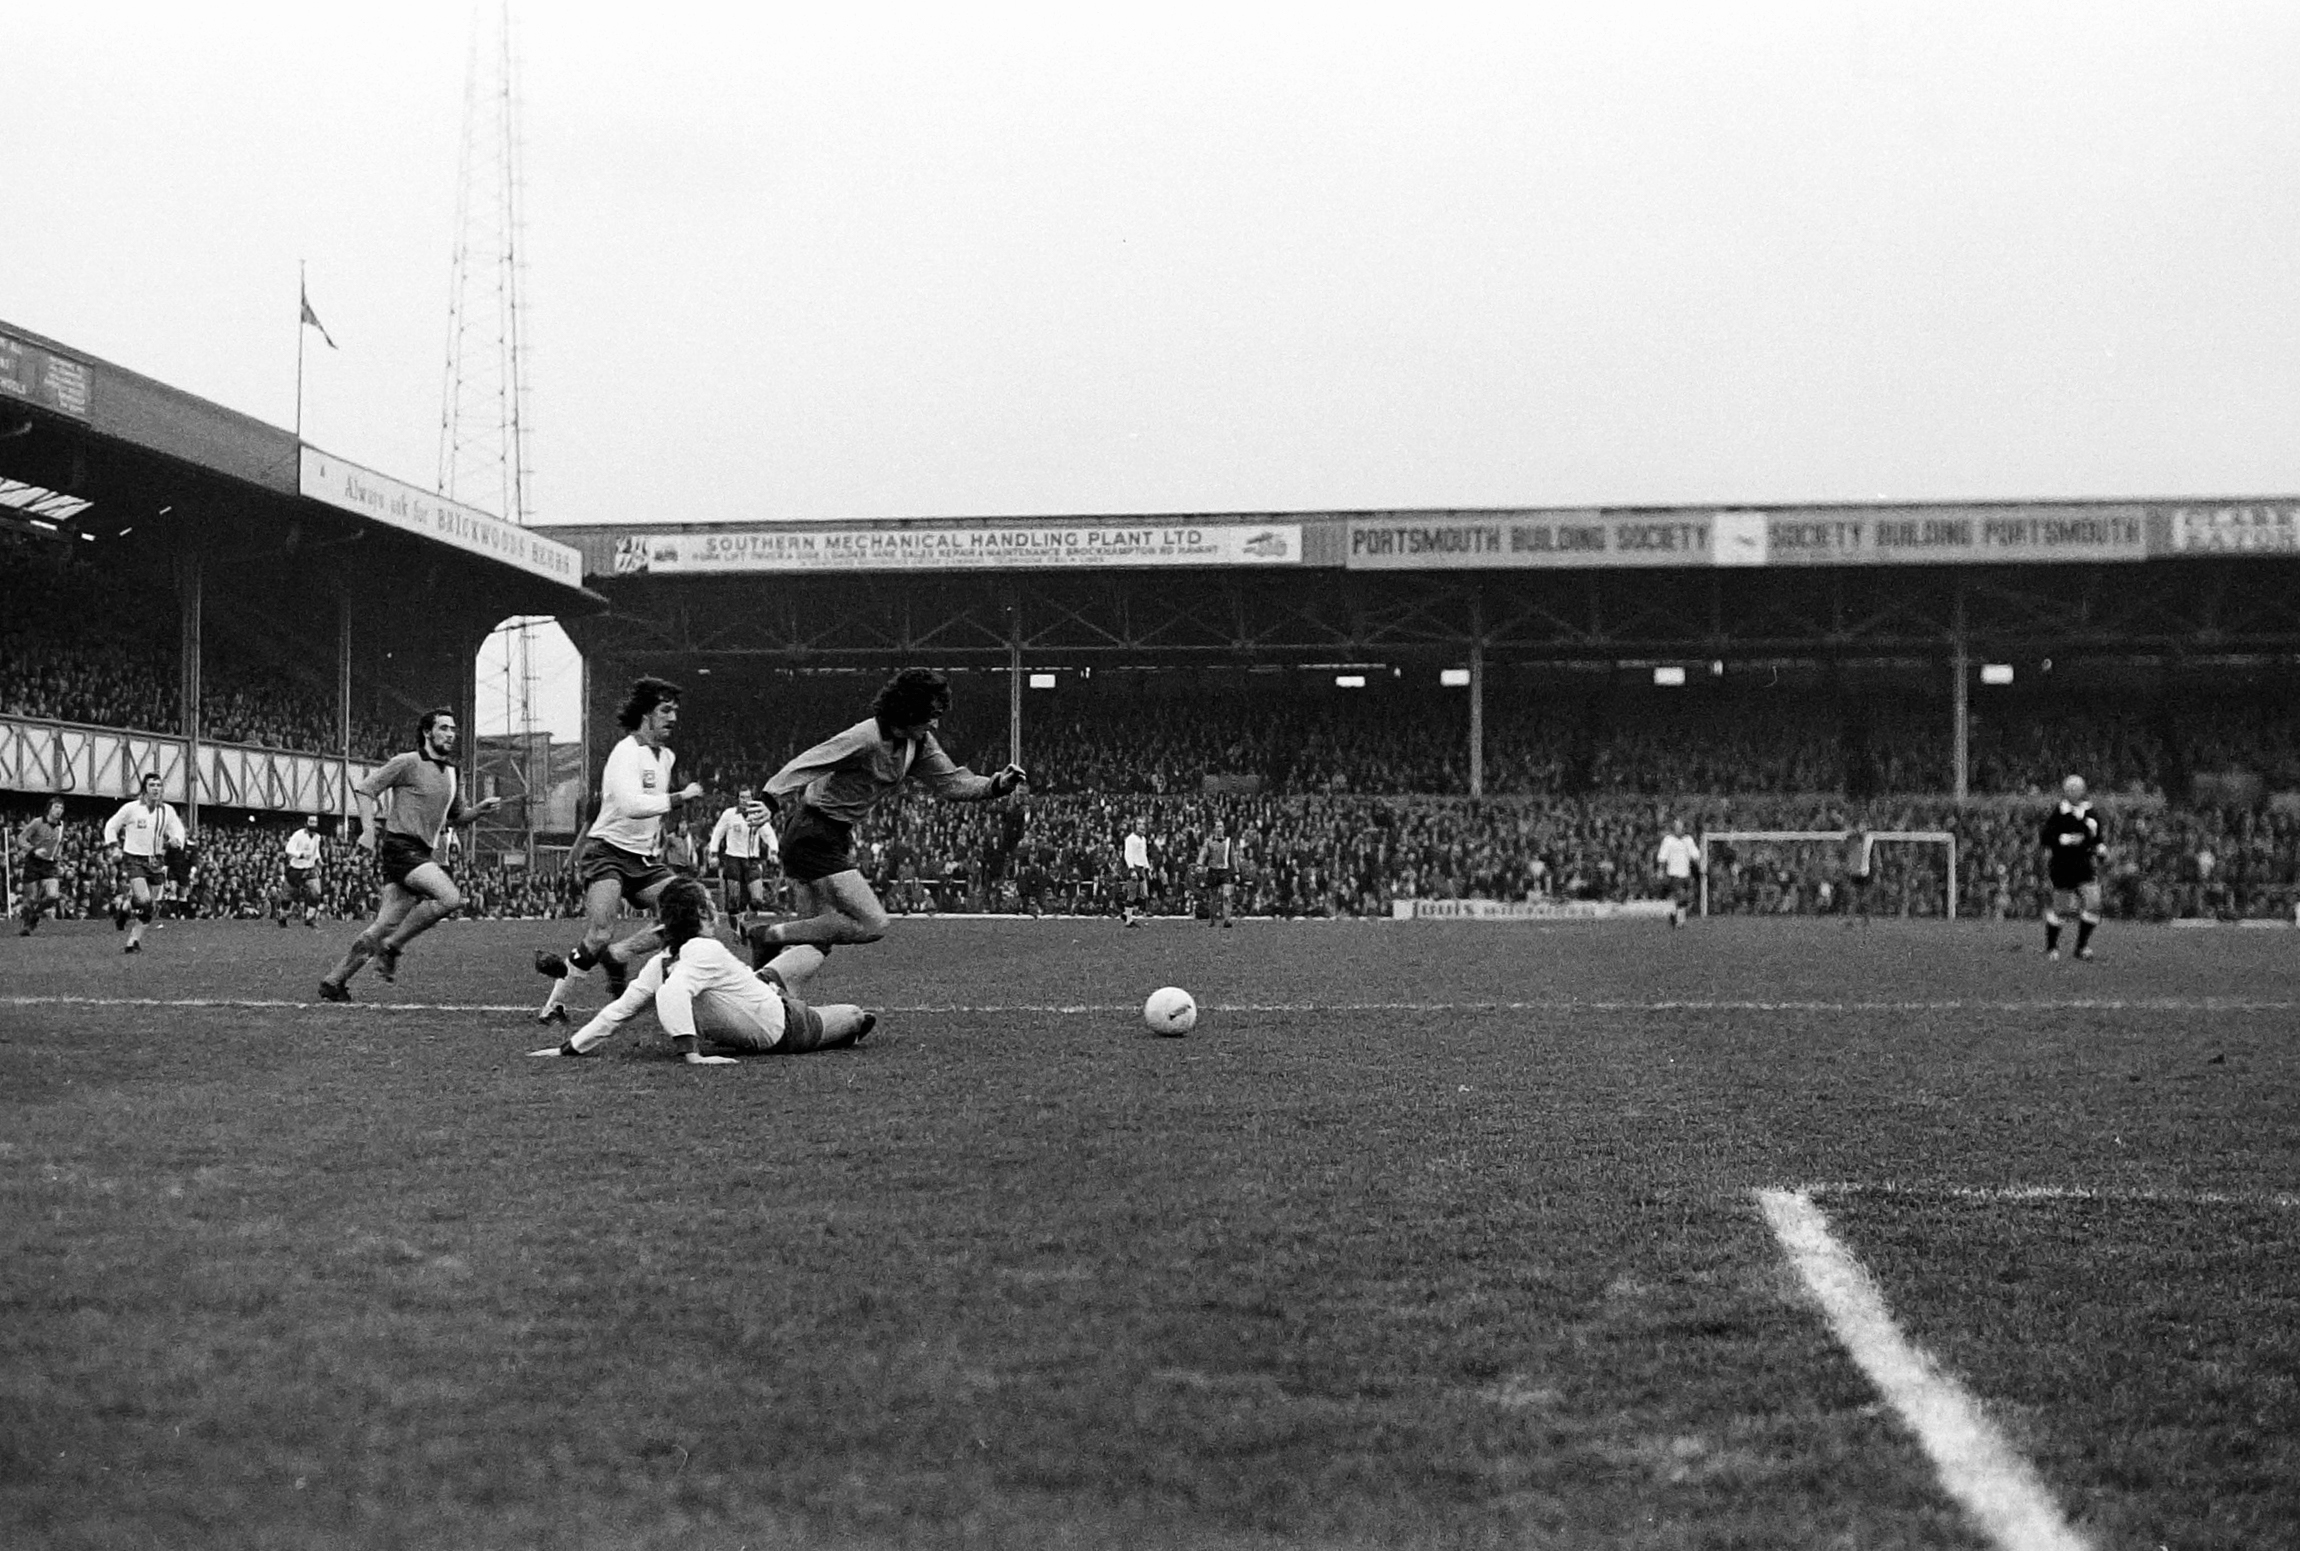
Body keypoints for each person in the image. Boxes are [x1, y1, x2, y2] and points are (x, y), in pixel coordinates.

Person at [743, 669, 1027, 968]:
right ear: (909, 710)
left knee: (815, 944)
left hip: (832, 835)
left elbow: (951, 783)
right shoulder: (865, 737)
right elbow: (810, 762)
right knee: (872, 923)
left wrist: (997, 785)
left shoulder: (918, 743)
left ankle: (771, 992)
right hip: (812, 833)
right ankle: (767, 935)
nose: (935, 723)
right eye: (930, 715)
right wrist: (770, 799)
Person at [529, 876, 873, 1064]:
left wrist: (569, 1047)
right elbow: (674, 993)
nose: (717, 912)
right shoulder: (702, 951)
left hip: (761, 997)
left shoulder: (662, 961)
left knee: (787, 966)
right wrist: (691, 1054)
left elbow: (619, 1011)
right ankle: (807, 943)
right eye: (711, 906)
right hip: (788, 1026)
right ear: (703, 917)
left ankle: (795, 940)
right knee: (854, 1014)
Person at [533, 677, 706, 1025]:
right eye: (665, 710)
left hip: (642, 859)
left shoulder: (667, 756)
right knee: (599, 932)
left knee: (689, 909)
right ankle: (552, 1007)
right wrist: (679, 797)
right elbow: (631, 805)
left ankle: (620, 955)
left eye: (675, 711)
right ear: (645, 713)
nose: (672, 718)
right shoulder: (625, 753)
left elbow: (650, 813)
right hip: (607, 853)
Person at [318, 709, 501, 1001]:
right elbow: (366, 790)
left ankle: (334, 981)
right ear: (428, 732)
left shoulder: (454, 772)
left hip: (421, 851)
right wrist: (368, 829)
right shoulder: (408, 762)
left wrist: (479, 810)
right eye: (443, 728)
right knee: (450, 898)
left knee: (383, 925)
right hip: (401, 847)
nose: (450, 734)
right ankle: (393, 948)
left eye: (453, 729)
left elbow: (458, 817)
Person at [101, 773, 187, 954]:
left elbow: (177, 828)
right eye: (152, 785)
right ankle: (130, 931)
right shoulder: (131, 808)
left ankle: (132, 936)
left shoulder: (166, 810)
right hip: (134, 858)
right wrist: (114, 846)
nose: (156, 788)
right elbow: (111, 825)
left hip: (156, 860)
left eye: (158, 785)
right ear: (144, 789)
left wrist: (176, 839)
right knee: (145, 901)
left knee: (152, 906)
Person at [2040, 774, 2107, 960]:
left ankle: (2081, 947)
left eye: (2077, 789)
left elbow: (2097, 837)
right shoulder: (2059, 813)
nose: (2074, 793)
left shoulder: (2090, 812)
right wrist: (2064, 839)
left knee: (2094, 904)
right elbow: (2045, 838)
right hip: (2062, 866)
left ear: (2083, 791)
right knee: (2061, 909)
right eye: (2070, 789)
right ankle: (2051, 947)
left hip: (2084, 865)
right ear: (2065, 791)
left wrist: (2100, 848)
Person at [707, 784, 778, 920]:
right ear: (738, 799)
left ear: (752, 798)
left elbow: (768, 834)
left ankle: (745, 923)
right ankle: (736, 929)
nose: (745, 800)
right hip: (733, 859)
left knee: (757, 899)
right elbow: (717, 833)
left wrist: (773, 851)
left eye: (748, 797)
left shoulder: (757, 814)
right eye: (742, 797)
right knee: (733, 900)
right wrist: (714, 853)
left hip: (752, 860)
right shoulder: (729, 814)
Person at [15, 796, 66, 935]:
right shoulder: (37, 822)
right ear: (49, 808)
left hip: (50, 865)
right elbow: (21, 838)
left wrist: (58, 855)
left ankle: (35, 915)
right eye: (56, 807)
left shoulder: (61, 826)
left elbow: (59, 843)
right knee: (30, 899)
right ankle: (26, 926)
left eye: (61, 808)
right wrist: (33, 850)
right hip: (33, 863)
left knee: (53, 895)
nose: (59, 810)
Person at [276, 814, 324, 929]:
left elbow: (315, 851)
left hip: (310, 869)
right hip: (295, 870)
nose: (312, 827)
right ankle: (282, 917)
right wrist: (300, 855)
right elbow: (288, 849)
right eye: (310, 824)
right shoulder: (298, 835)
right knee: (288, 896)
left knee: (315, 892)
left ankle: (310, 918)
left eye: (314, 825)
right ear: (306, 824)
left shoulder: (317, 837)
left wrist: (319, 860)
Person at [1654, 817, 1701, 928]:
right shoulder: (1668, 840)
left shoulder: (1688, 840)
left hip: (1686, 873)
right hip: (1673, 873)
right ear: (1674, 828)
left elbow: (1695, 855)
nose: (1679, 829)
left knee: (1686, 898)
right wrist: (1660, 870)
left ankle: (1677, 917)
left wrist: (1700, 866)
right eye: (1677, 827)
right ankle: (1680, 922)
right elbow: (1662, 857)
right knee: (1681, 896)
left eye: (1681, 827)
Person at [1199, 820, 1238, 928]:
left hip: (1225, 871)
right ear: (1214, 829)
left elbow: (1233, 858)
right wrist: (1200, 866)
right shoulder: (1209, 841)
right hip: (1213, 870)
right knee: (1213, 898)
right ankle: (1212, 918)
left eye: (1221, 826)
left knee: (1227, 895)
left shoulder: (1229, 842)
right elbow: (1203, 855)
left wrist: (1236, 872)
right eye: (1218, 827)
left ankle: (1227, 919)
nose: (1220, 829)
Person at [1837, 822, 1873, 927]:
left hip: (1864, 871)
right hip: (1854, 871)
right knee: (1853, 897)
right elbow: (1844, 841)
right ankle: (1851, 919)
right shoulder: (1853, 839)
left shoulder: (1869, 838)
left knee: (1863, 897)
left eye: (1862, 826)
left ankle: (1866, 919)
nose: (1860, 829)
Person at [1121, 819, 1152, 926]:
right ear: (1134, 826)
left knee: (1144, 894)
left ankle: (1125, 913)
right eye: (1139, 824)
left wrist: (1147, 867)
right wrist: (1131, 869)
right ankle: (1128, 920)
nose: (1141, 826)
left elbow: (1143, 854)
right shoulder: (1130, 839)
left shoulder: (1143, 839)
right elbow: (1128, 854)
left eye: (1143, 824)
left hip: (1141, 868)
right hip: (1134, 867)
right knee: (1132, 893)